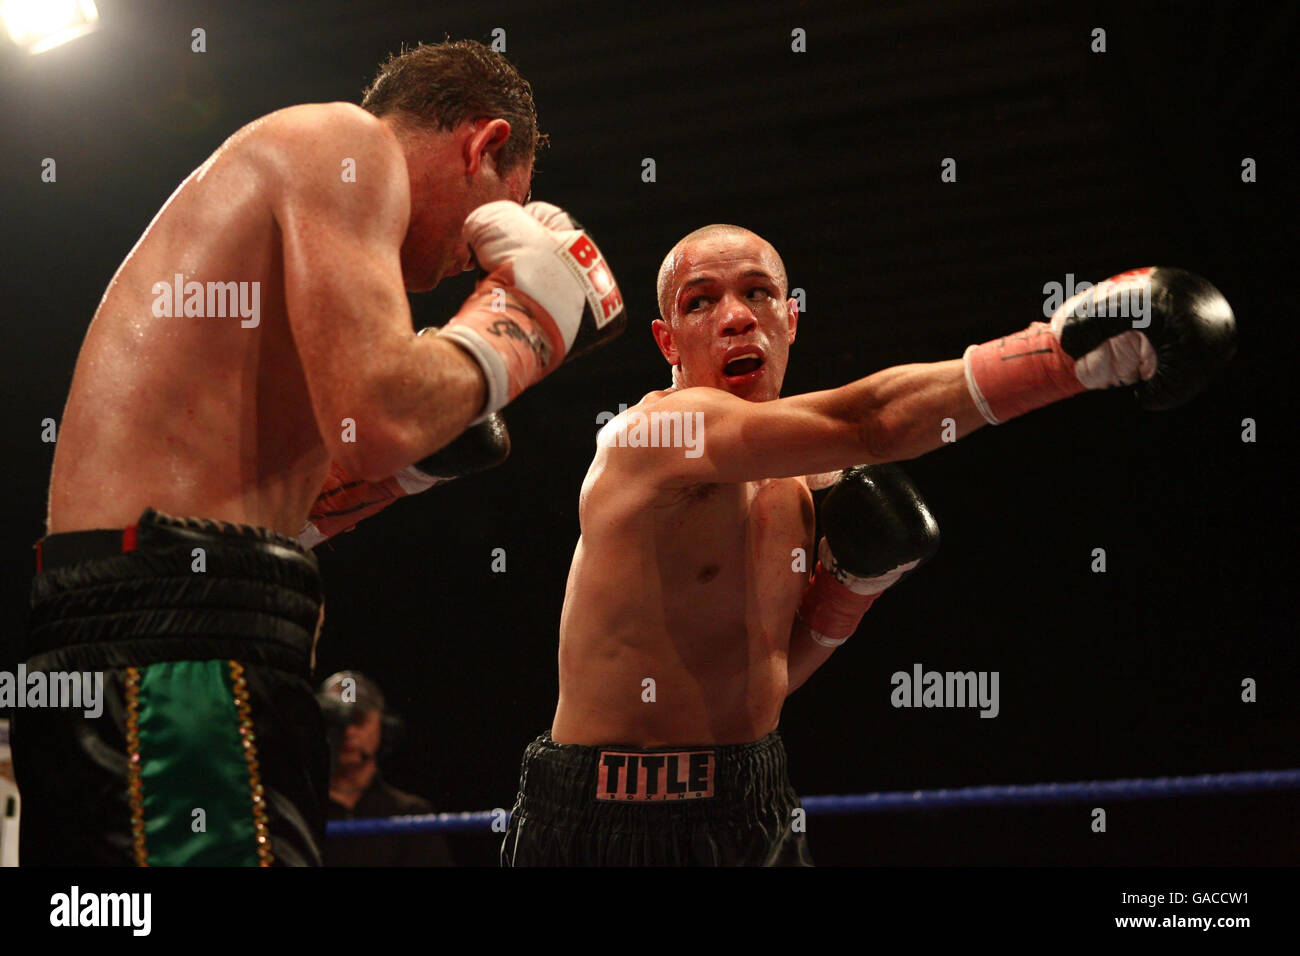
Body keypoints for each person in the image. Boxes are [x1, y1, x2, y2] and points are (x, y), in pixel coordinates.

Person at [13, 39, 625, 867]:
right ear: (482, 146)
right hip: (176, 659)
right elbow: (382, 414)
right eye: (495, 214)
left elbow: (279, 488)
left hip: (159, 640)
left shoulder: (283, 253)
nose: (469, 261)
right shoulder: (346, 142)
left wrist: (397, 474)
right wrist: (527, 314)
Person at [500, 224, 1236, 866]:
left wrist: (846, 598)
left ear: (790, 322)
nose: (735, 318)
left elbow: (769, 679)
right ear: (668, 341)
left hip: (749, 803)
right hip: (608, 817)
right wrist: (1059, 356)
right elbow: (875, 420)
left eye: (757, 295)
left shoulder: (796, 486)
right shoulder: (651, 440)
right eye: (701, 302)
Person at [318, 672, 453, 867]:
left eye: (358, 719)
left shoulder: (410, 814)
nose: (348, 731)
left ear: (383, 726)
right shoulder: (301, 813)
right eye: (336, 721)